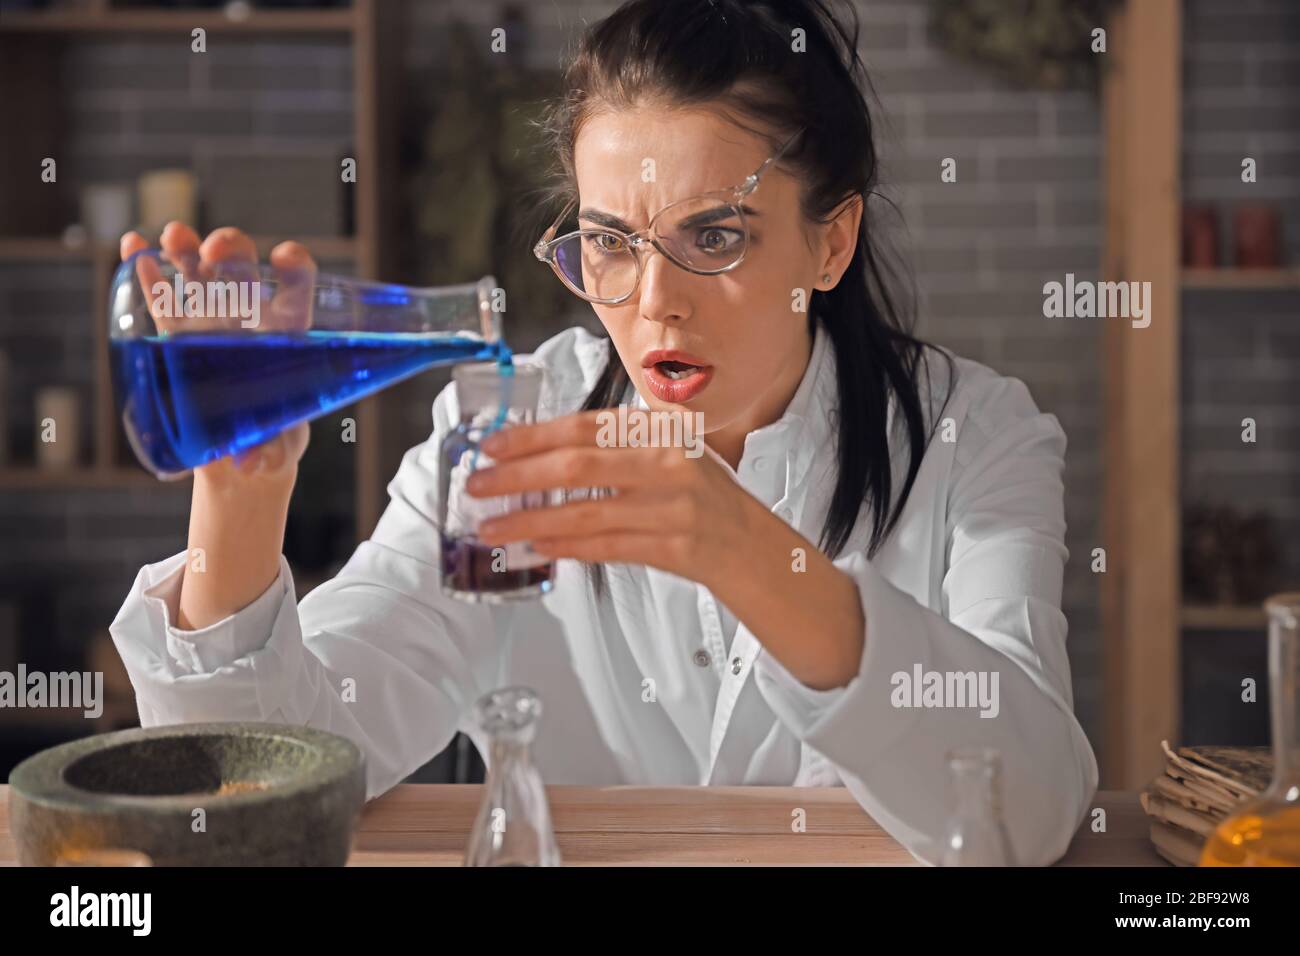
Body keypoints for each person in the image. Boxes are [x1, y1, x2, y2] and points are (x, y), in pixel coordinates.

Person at [109, 0, 1098, 866]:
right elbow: (270, 787)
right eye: (610, 244)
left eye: (715, 237)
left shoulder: (975, 434)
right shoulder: (504, 427)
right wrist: (237, 495)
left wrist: (745, 551)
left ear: (829, 240)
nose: (653, 306)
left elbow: (1030, 811)